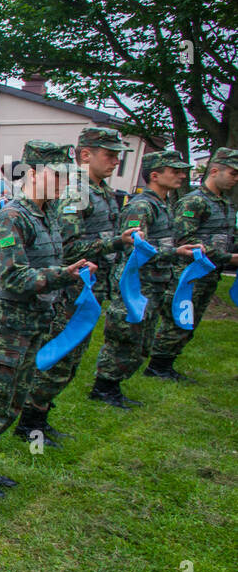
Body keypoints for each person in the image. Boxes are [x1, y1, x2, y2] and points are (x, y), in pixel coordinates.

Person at [0, 142, 93, 496]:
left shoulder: (45, 216)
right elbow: (12, 276)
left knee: (14, 396)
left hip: (32, 321)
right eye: (55, 174)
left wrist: (66, 273)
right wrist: (64, 274)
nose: (62, 182)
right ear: (31, 174)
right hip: (6, 324)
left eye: (66, 175)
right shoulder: (11, 217)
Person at [17, 126, 135, 440]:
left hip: (90, 287)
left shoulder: (104, 191)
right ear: (86, 154)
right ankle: (30, 421)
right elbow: (68, 248)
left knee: (71, 357)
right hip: (69, 288)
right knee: (57, 354)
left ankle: (38, 417)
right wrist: (114, 243)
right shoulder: (74, 192)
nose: (115, 162)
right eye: (109, 154)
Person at [90, 150, 202, 407]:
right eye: (175, 171)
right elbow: (134, 248)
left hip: (155, 281)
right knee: (124, 336)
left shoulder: (164, 204)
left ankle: (113, 386)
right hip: (137, 283)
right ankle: (104, 386)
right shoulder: (142, 206)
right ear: (155, 175)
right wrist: (174, 253)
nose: (181, 175)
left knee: (140, 338)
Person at [145, 147, 238, 379]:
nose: (236, 180)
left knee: (191, 321)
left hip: (209, 273)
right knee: (178, 319)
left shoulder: (224, 203)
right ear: (215, 171)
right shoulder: (194, 201)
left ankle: (167, 363)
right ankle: (158, 365)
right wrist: (228, 258)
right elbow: (185, 238)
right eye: (233, 174)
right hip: (188, 273)